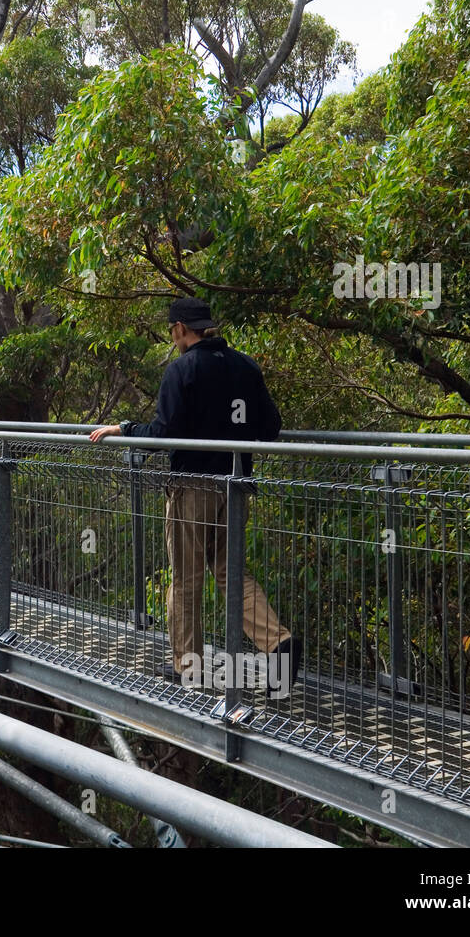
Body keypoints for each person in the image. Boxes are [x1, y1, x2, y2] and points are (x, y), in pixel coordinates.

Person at [90, 296, 301, 698]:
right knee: (230, 572)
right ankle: (278, 643)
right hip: (236, 485)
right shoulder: (245, 366)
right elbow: (270, 428)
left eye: (173, 332)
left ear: (180, 330)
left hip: (192, 487)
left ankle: (188, 665)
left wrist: (124, 428)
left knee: (186, 579)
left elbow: (163, 435)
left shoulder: (182, 370)